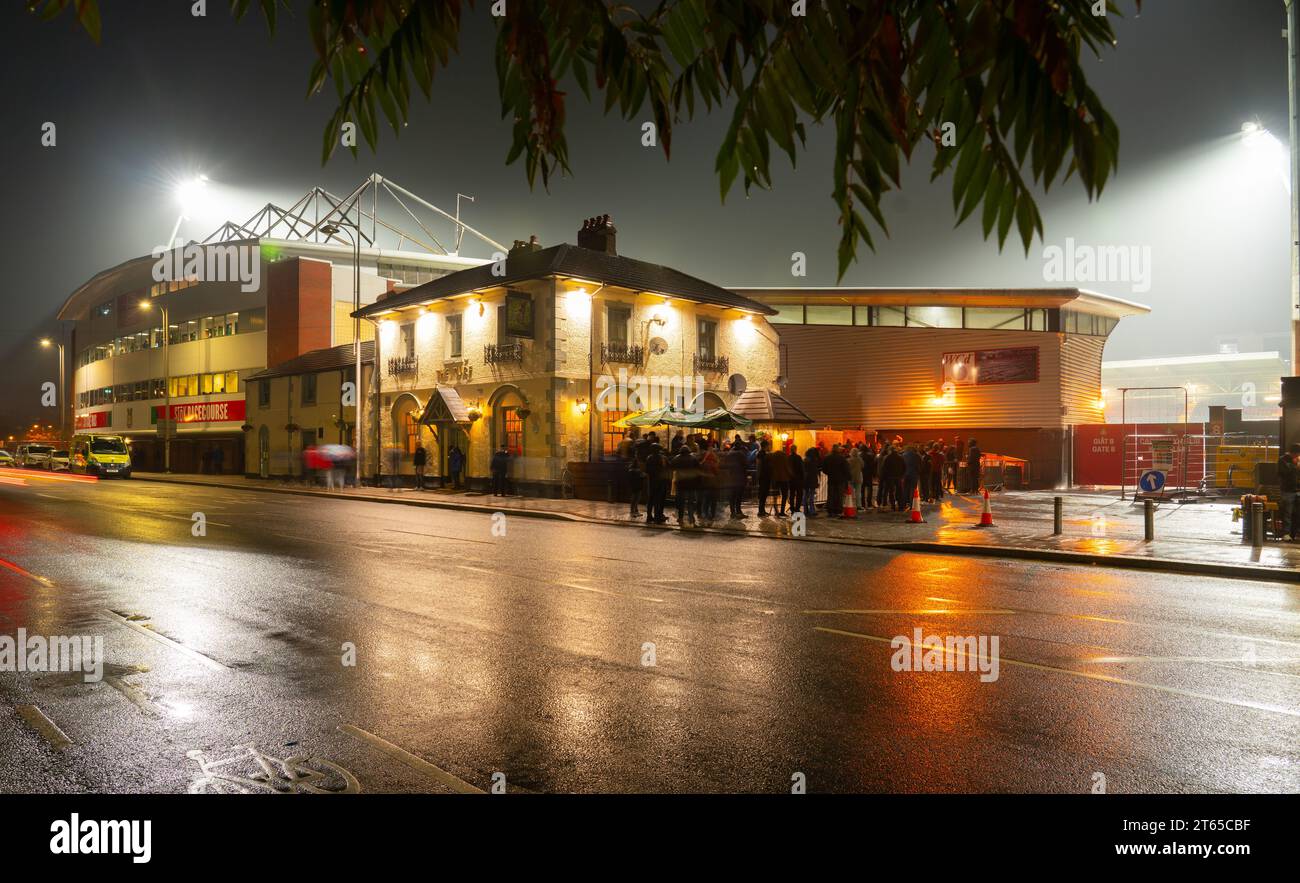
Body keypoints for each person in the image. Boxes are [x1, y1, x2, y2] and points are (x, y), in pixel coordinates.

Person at [669, 443, 699, 526]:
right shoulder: (693, 458)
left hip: (680, 483)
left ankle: (681, 518)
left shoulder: (676, 458)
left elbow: (671, 468)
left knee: (681, 502)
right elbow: (698, 469)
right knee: (691, 502)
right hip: (691, 483)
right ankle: (691, 519)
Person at [621, 428, 644, 517]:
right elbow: (634, 469)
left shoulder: (634, 458)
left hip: (634, 477)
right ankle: (633, 511)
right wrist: (640, 472)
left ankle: (635, 510)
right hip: (635, 478)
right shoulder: (634, 459)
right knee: (636, 495)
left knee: (636, 495)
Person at [645, 441, 669, 523]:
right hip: (661, 482)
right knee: (659, 500)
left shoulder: (648, 458)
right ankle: (658, 517)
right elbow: (668, 467)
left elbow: (647, 470)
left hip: (651, 482)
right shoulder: (663, 458)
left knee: (651, 500)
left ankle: (649, 516)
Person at [1279, 444, 1300, 541]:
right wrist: (1294, 465)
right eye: (1297, 454)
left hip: (1297, 490)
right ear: (1293, 453)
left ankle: (1293, 533)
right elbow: (1283, 472)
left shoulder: (1297, 460)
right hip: (1287, 491)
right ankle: (1286, 533)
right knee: (1287, 513)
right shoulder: (1283, 460)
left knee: (1296, 513)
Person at [822, 444, 849, 515]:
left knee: (831, 494)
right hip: (840, 479)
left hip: (831, 478)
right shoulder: (842, 458)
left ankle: (830, 509)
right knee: (839, 494)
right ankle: (838, 509)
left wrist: (829, 473)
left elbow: (824, 468)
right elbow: (846, 469)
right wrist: (846, 476)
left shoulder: (827, 458)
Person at [722, 442, 747, 518]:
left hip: (730, 478)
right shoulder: (741, 454)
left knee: (732, 497)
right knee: (738, 497)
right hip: (739, 479)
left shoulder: (728, 454)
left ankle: (732, 513)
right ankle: (738, 512)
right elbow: (745, 465)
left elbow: (725, 465)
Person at [767, 441, 792, 516]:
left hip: (775, 478)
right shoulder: (784, 458)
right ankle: (782, 511)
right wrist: (791, 475)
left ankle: (776, 510)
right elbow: (787, 468)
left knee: (775, 495)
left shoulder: (773, 458)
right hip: (784, 479)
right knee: (784, 495)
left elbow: (770, 468)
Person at [881, 443, 905, 511]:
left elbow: (885, 468)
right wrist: (902, 475)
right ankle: (900, 505)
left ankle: (893, 505)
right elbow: (904, 467)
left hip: (890, 477)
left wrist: (885, 477)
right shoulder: (900, 457)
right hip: (898, 477)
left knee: (891, 492)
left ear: (890, 450)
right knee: (899, 491)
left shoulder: (887, 458)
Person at [755, 439, 773, 516]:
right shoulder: (761, 454)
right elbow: (759, 466)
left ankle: (762, 510)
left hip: (765, 476)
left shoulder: (763, 454)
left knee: (764, 494)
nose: (769, 446)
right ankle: (760, 511)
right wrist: (758, 476)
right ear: (765, 446)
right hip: (763, 477)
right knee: (763, 494)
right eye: (768, 445)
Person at [803, 445, 821, 516]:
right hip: (812, 479)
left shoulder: (805, 460)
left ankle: (805, 509)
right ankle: (812, 510)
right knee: (811, 495)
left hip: (806, 480)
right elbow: (815, 470)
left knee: (806, 495)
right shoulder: (814, 461)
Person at [789, 444, 804, 515]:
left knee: (792, 494)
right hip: (798, 479)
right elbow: (801, 468)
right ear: (795, 449)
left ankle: (792, 508)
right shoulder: (798, 457)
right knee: (799, 494)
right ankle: (797, 508)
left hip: (791, 479)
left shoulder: (788, 458)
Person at [860, 443, 876, 509]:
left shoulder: (860, 456)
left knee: (862, 489)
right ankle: (869, 502)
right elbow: (873, 466)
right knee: (870, 489)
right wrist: (874, 474)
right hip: (869, 474)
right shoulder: (870, 456)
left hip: (862, 474)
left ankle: (862, 503)